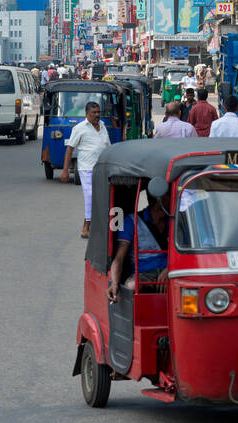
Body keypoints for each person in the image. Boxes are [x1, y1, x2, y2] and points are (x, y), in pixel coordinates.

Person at [61, 100, 111, 239]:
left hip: (102, 168)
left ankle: (98, 227)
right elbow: (69, 150)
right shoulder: (79, 128)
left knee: (103, 198)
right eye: (94, 112)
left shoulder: (102, 126)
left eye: (98, 112)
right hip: (86, 168)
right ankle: (86, 227)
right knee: (90, 197)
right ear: (87, 114)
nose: (97, 115)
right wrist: (65, 171)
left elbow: (108, 146)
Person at [108, 192, 170, 297]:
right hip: (144, 274)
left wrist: (170, 268)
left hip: (172, 270)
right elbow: (119, 258)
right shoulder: (131, 221)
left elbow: (189, 251)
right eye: (170, 196)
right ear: (160, 199)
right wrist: (114, 283)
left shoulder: (177, 221)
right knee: (132, 286)